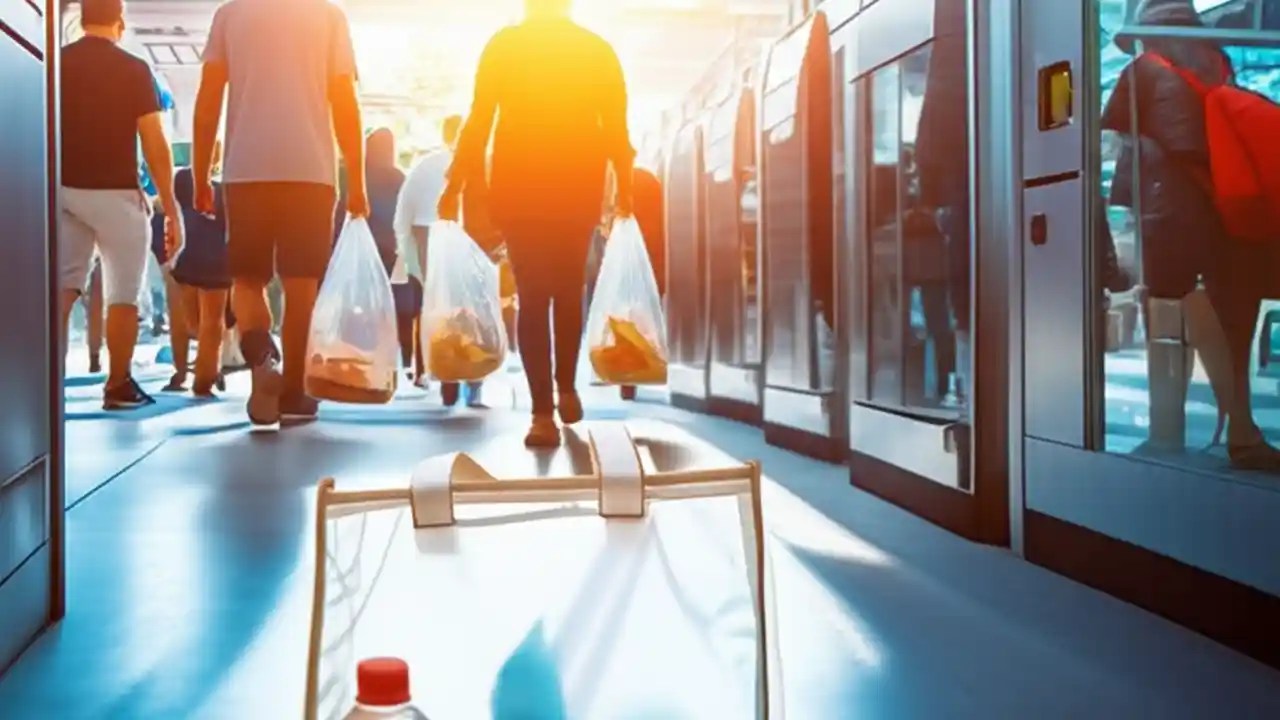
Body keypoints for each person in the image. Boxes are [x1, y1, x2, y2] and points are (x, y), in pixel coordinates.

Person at [439, 0, 634, 447]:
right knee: (569, 291)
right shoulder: (596, 49)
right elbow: (617, 128)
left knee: (532, 296)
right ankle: (566, 387)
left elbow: (479, 122)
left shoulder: (504, 46)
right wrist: (625, 187)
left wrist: (453, 187)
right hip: (576, 186)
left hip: (520, 189)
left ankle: (541, 414)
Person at [1102, 0, 1280, 470]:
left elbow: (1118, 136)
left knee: (1170, 315)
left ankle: (1176, 434)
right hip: (1228, 217)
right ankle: (1239, 427)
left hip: (1170, 217)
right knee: (1228, 323)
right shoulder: (1215, 63)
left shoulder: (1145, 69)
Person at [193, 0, 368, 427]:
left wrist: (200, 174)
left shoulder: (231, 15)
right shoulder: (327, 16)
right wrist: (357, 181)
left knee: (247, 279)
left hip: (246, 169)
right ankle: (294, 392)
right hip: (311, 172)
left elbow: (209, 97)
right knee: (301, 287)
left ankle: (262, 362)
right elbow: (345, 100)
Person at [59, 0, 183, 410]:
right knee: (122, 295)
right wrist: (170, 204)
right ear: (120, 22)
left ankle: (45, 382)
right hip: (117, 196)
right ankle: (117, 384)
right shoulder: (133, 69)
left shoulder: (55, 64)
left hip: (64, 190)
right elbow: (153, 141)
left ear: (80, 19)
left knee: (63, 290)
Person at [396, 115, 484, 406]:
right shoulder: (478, 162)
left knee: (428, 304)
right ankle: (472, 376)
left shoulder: (425, 165)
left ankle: (427, 371)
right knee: (468, 307)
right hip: (467, 236)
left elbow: (404, 208)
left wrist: (404, 246)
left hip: (426, 235)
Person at [156, 142, 232, 398]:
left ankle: (195, 371)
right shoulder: (229, 182)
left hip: (188, 254)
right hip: (219, 258)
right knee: (212, 321)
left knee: (189, 321)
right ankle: (205, 377)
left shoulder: (182, 179)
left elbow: (167, 207)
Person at [619, 165, 666, 402]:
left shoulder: (622, 184)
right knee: (644, 318)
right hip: (655, 263)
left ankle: (629, 377)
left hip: (629, 265)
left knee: (627, 319)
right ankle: (638, 372)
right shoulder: (650, 181)